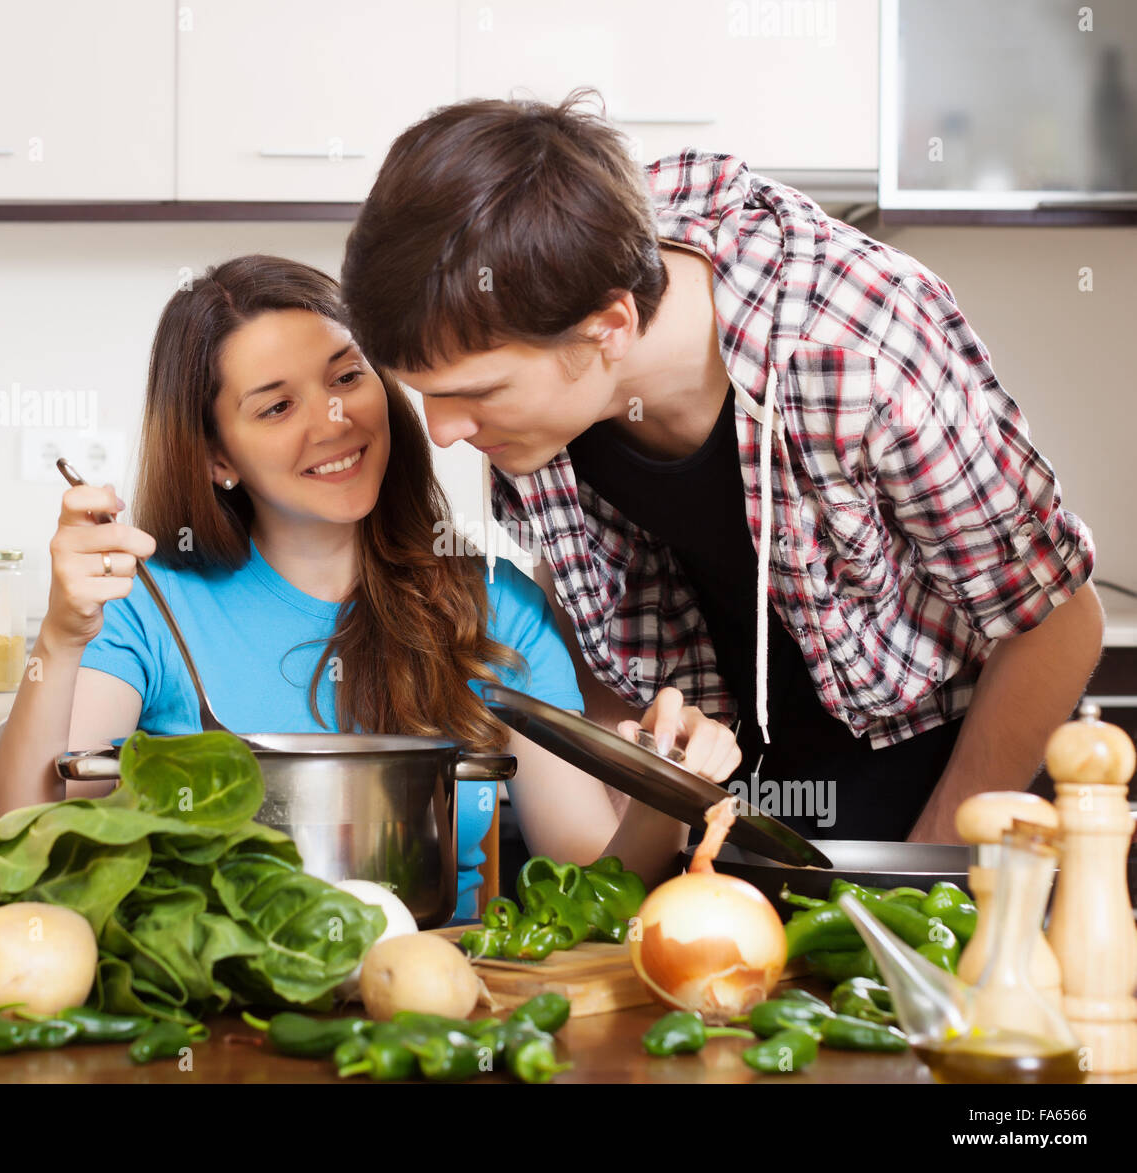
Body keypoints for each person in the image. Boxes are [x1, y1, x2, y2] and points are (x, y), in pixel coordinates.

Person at [339, 93, 1104, 845]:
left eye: (474, 394)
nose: (442, 433)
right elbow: (596, 618)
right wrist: (635, 804)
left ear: (610, 327)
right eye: (427, 397)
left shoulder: (854, 349)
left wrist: (929, 868)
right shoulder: (541, 329)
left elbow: (1059, 622)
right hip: (728, 798)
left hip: (935, 774)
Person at [0, 255, 741, 918]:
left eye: (347, 376)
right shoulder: (144, 606)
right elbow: (11, 854)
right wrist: (61, 637)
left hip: (444, 1015)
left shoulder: (496, 606)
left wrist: (662, 793)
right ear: (216, 457)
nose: (334, 419)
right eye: (276, 406)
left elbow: (591, 881)